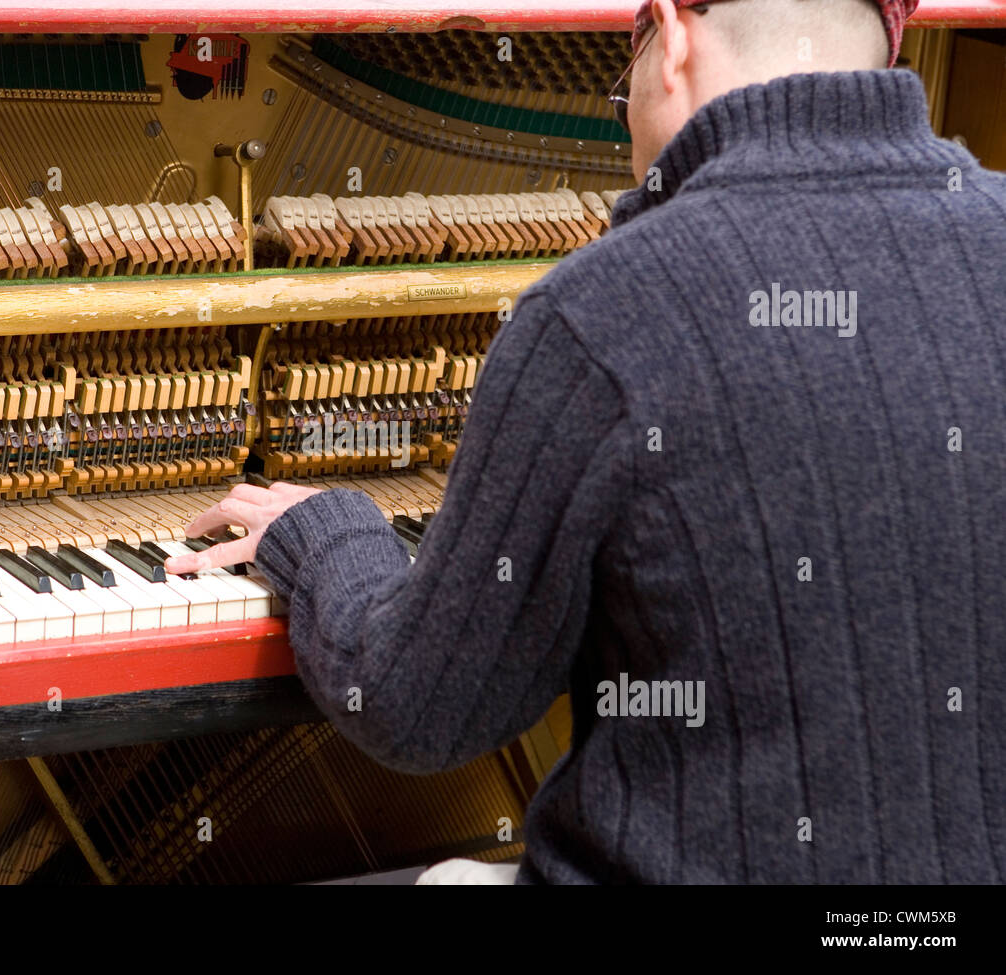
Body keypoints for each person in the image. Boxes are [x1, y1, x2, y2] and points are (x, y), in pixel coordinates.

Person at [164, 0, 1006, 884]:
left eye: (621, 80)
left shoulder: (607, 307)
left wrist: (328, 531)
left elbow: (418, 705)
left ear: (669, 38)